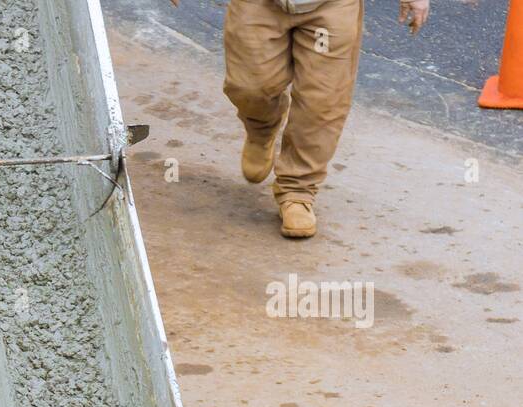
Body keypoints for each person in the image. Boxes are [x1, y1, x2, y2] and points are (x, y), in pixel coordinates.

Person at [176, 0, 430, 238]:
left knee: (323, 100)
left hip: (331, 7)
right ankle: (261, 126)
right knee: (249, 87)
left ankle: (297, 190)